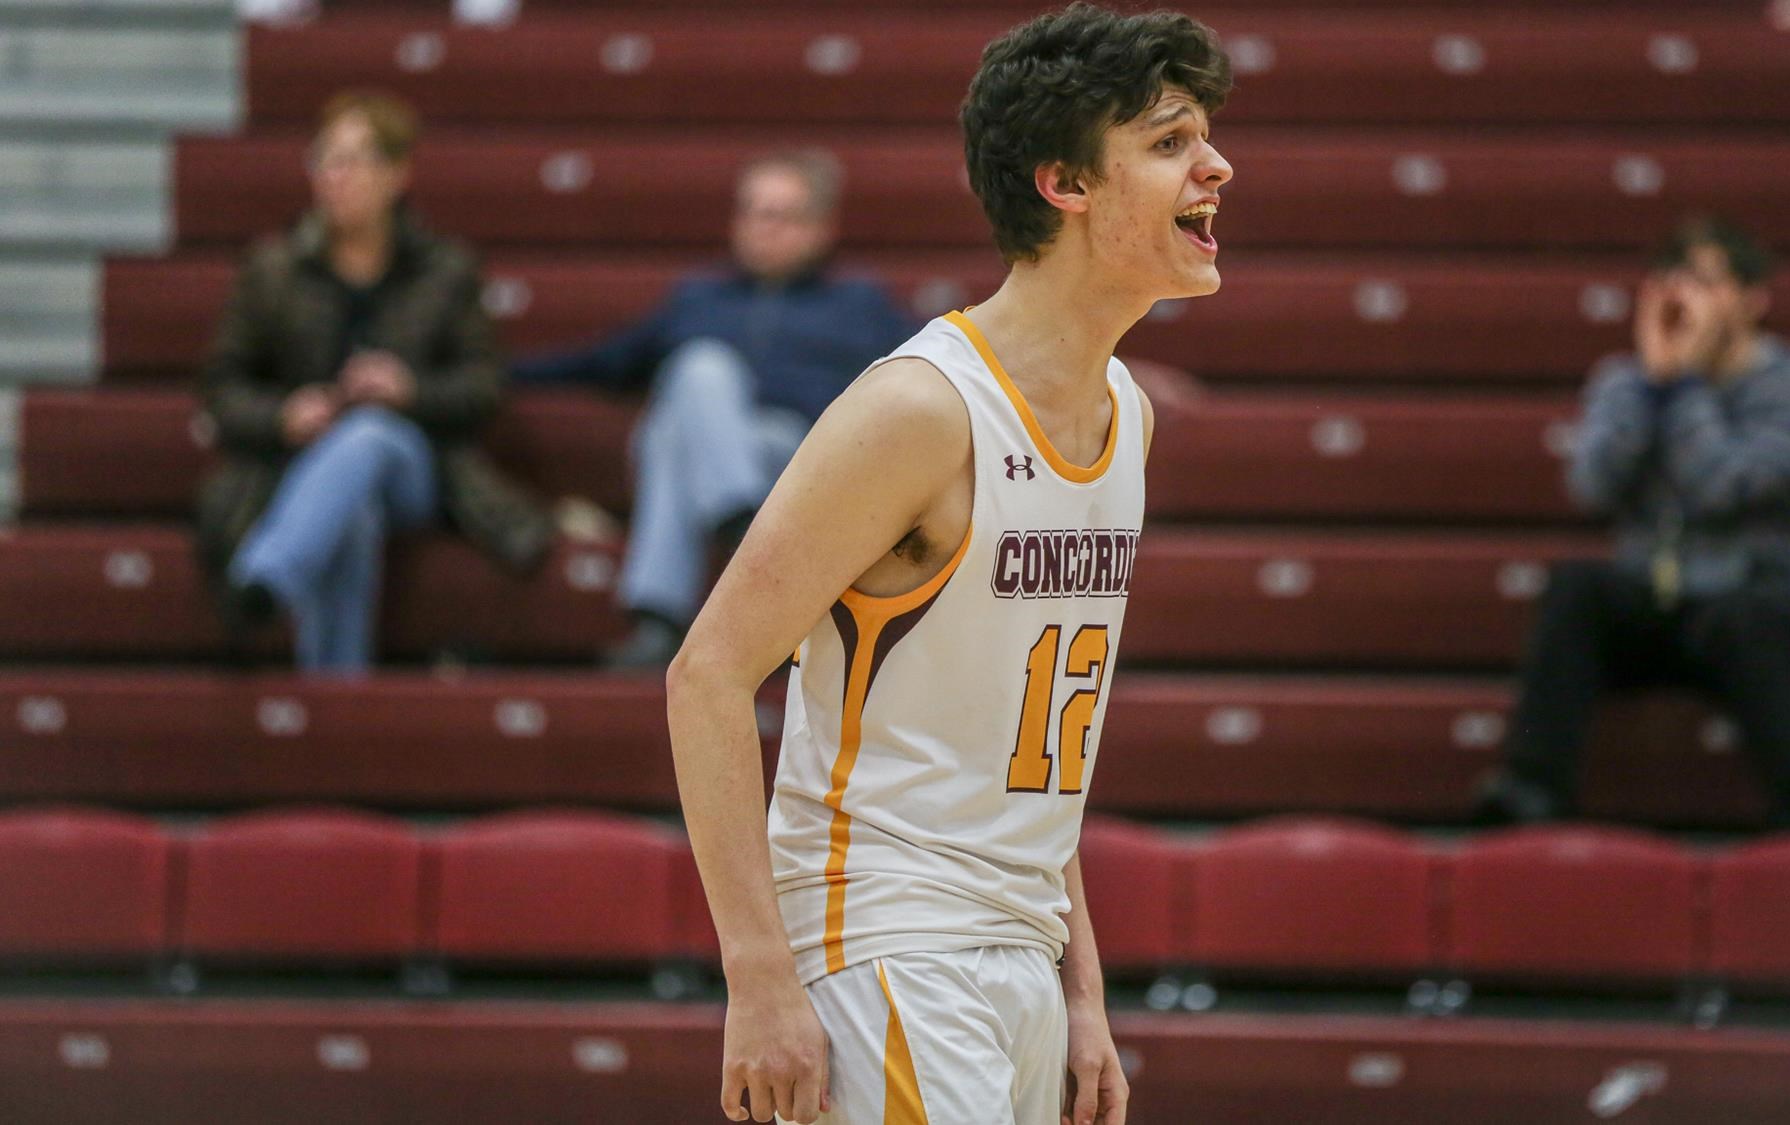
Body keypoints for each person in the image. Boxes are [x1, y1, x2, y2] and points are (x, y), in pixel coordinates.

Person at [664, 6, 1231, 1123]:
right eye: (1169, 142)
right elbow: (708, 675)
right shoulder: (919, 409)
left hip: (1018, 948)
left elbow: (1023, 744)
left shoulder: (1123, 410)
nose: (1216, 164)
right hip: (887, 950)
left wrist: (1081, 988)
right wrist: (758, 976)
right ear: (1065, 182)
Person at [1474, 216, 1790, 830]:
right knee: (1574, 588)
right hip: (1651, 592)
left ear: (1753, 300)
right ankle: (1530, 790)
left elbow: (1727, 488)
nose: (1683, 298)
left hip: (1741, 598)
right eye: (1671, 281)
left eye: (1704, 281)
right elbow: (1592, 487)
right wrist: (1652, 386)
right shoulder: (1627, 379)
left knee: (1751, 620)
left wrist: (1685, 389)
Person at [513, 150, 915, 670]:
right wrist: (502, 373)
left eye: (780, 215)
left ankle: (658, 618)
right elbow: (605, 360)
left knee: (674, 431)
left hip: (796, 459)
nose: (761, 228)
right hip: (726, 468)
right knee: (696, 376)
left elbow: (918, 375)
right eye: (752, 213)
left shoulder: (859, 304)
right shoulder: (699, 297)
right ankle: (738, 523)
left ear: (821, 228)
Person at [196, 90, 550, 675]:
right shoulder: (272, 269)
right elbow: (220, 386)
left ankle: (264, 574)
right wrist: (284, 414)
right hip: (301, 465)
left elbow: (485, 387)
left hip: (415, 463)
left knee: (368, 436)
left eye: (354, 160)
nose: (336, 177)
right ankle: (336, 702)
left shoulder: (445, 270)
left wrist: (408, 390)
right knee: (350, 512)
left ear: (397, 174)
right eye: (324, 160)